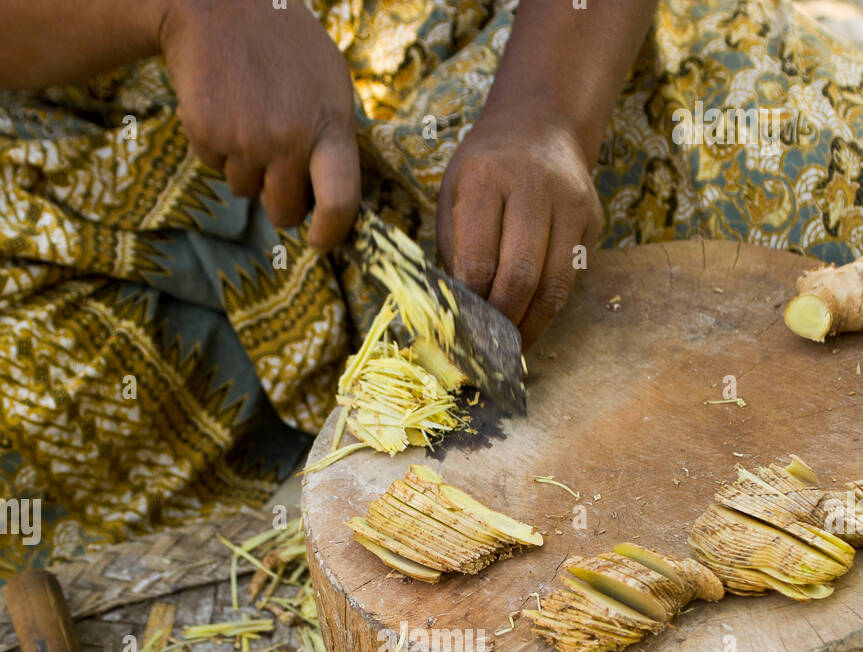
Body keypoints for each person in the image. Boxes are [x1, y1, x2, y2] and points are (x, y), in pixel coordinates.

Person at [0, 0, 860, 568]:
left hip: (485, 55)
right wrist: (181, 12)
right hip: (69, 142)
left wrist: (547, 112)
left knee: (786, 188)